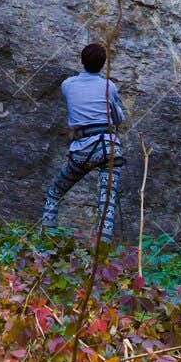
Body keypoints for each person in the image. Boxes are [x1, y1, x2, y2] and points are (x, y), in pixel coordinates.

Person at [40, 41, 125, 238]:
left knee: (54, 192)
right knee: (107, 202)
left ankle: (47, 242)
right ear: (104, 65)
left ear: (81, 61)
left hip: (81, 149)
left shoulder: (67, 85)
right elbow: (118, 118)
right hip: (107, 147)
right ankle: (101, 252)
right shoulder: (108, 87)